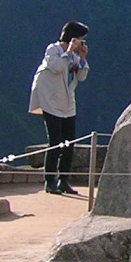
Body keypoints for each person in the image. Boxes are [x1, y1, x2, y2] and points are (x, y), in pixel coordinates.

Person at [29, 21, 91, 195]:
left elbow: (81, 76)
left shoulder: (74, 57)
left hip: (67, 102)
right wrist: (69, 51)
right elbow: (55, 67)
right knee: (55, 141)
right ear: (72, 38)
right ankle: (50, 181)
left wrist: (83, 58)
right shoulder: (53, 50)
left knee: (69, 142)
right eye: (80, 39)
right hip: (50, 101)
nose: (82, 43)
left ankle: (64, 180)